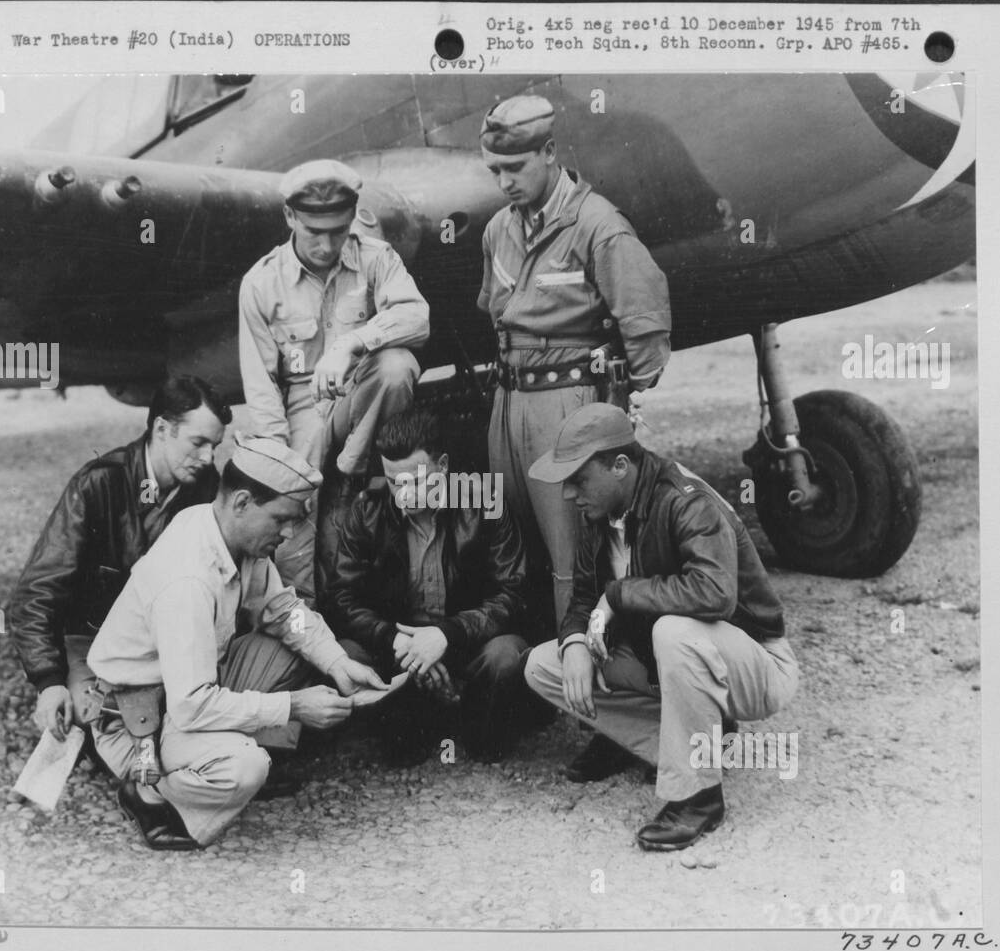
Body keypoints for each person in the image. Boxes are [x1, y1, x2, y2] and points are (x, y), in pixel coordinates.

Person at [84, 436, 387, 850]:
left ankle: (222, 749)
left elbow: (282, 609)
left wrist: (337, 662)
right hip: (140, 720)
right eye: (282, 519)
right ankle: (151, 793)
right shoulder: (187, 581)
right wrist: (295, 707)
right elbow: (191, 705)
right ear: (242, 502)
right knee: (244, 767)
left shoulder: (222, 526)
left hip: (184, 689)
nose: (289, 533)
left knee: (300, 648)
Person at [522, 404, 798, 852]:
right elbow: (584, 596)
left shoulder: (686, 498)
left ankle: (698, 795)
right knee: (542, 666)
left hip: (757, 663)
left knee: (674, 631)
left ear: (620, 466)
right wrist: (574, 641)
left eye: (578, 479)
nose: (571, 494)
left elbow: (715, 594)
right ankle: (682, 741)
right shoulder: (600, 505)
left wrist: (620, 595)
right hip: (673, 656)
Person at [478, 94, 672, 631]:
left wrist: (609, 407)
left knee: (572, 557)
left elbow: (645, 324)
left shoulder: (597, 224)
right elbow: (493, 314)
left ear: (548, 152)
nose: (505, 183)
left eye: (515, 168)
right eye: (495, 170)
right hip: (508, 400)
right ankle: (526, 671)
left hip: (568, 405)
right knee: (510, 542)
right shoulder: (499, 229)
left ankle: (582, 679)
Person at [239, 158, 431, 605]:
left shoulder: (375, 257)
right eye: (314, 232)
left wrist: (352, 345)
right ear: (290, 217)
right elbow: (262, 383)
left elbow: (417, 316)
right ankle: (301, 615)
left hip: (358, 392)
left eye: (338, 231)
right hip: (300, 408)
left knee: (397, 365)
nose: (327, 245)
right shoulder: (262, 283)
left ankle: (349, 472)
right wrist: (280, 463)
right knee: (291, 520)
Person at [9, 375, 230, 742]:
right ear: (162, 428)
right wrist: (48, 680)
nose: (208, 458)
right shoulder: (98, 484)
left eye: (215, 446)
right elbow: (36, 592)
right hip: (94, 641)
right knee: (88, 714)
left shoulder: (205, 487)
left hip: (167, 640)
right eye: (199, 443)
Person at [327, 407, 530, 763]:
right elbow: (343, 598)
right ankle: (411, 721)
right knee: (345, 653)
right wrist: (395, 640)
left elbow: (514, 593)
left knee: (505, 656)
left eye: (417, 480)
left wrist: (448, 635)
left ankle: (471, 722)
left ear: (444, 466)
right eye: (394, 482)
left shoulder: (486, 502)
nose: (404, 494)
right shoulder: (367, 510)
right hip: (398, 648)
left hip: (465, 641)